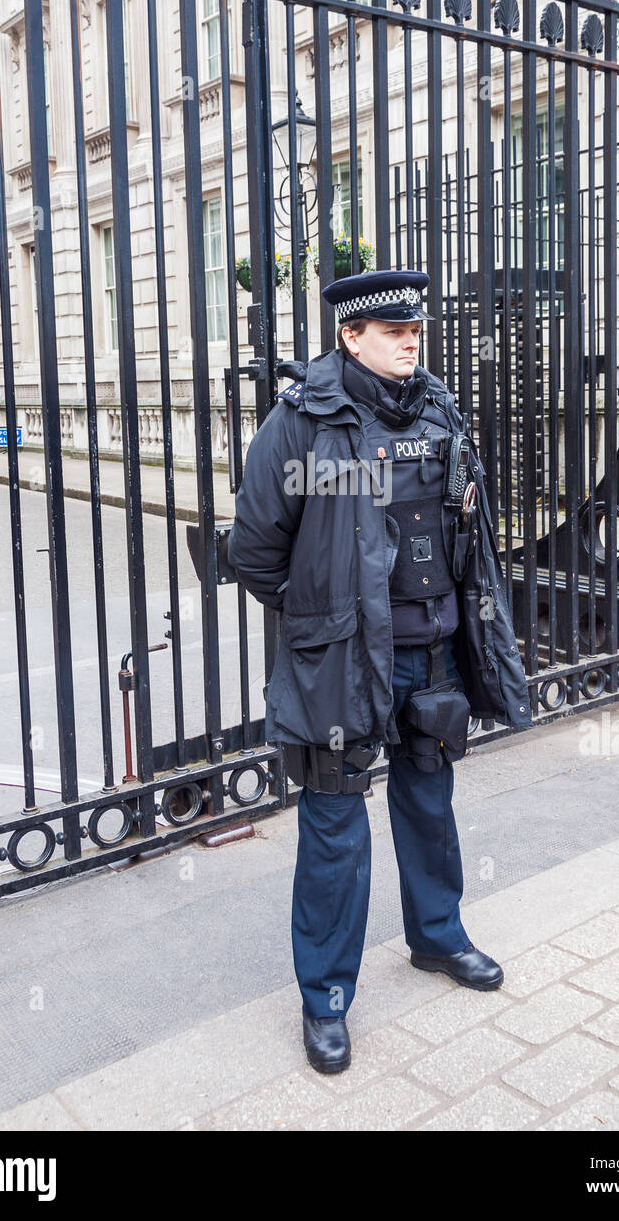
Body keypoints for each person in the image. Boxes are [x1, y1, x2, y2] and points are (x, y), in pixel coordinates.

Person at [227, 269, 532, 1074]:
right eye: (393, 330)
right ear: (349, 336)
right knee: (334, 830)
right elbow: (253, 551)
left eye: (415, 329)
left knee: (429, 804)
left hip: (431, 654)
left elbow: (467, 527)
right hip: (342, 669)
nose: (410, 339)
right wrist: (331, 614)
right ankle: (325, 996)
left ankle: (437, 938)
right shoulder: (302, 424)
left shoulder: (435, 408)